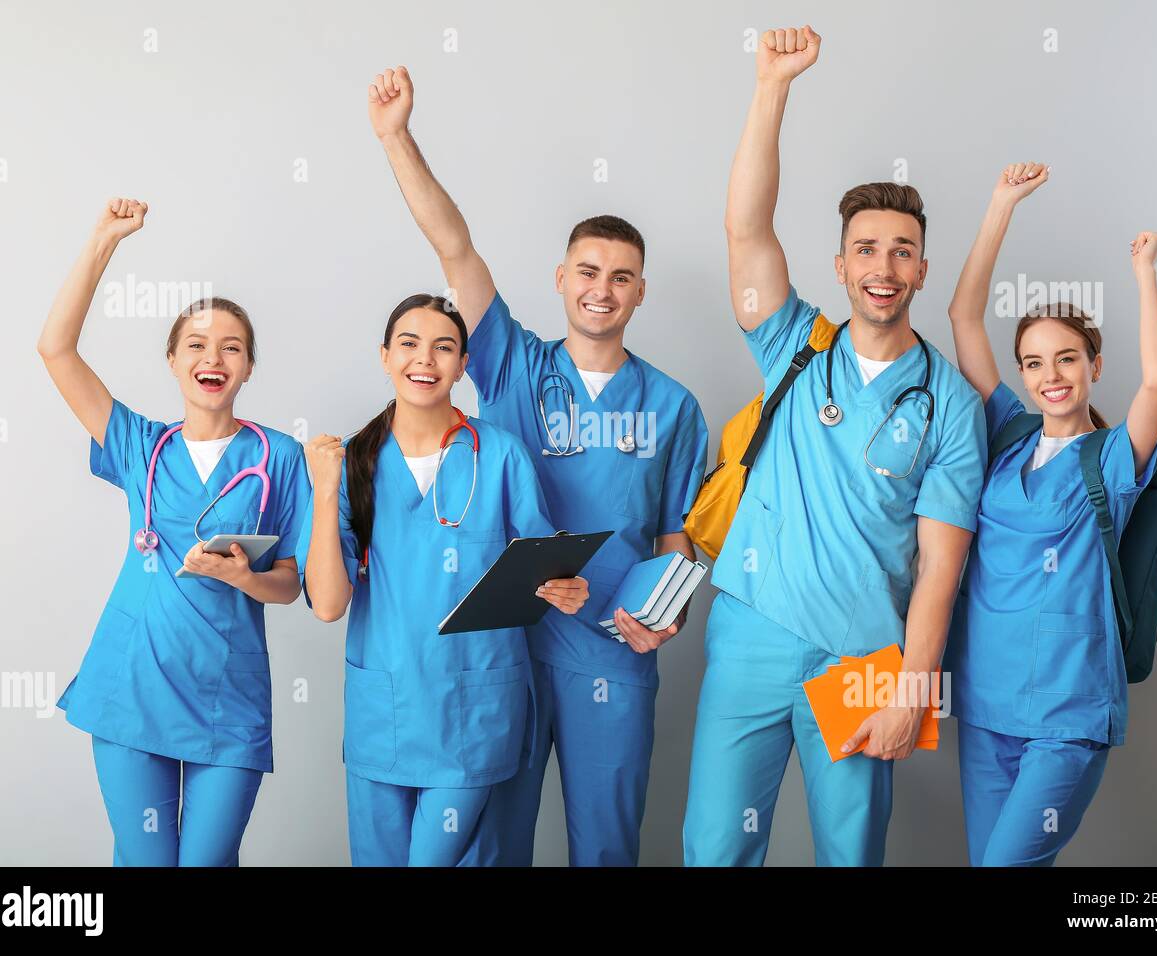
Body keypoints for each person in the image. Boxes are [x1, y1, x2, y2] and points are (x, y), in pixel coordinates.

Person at [366, 66, 709, 866]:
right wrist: (396, 138)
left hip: (610, 650)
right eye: (587, 272)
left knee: (606, 844)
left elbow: (676, 537)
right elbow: (455, 247)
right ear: (561, 280)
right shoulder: (513, 364)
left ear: (640, 292)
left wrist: (668, 615)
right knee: (492, 845)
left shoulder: (674, 405)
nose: (602, 289)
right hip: (505, 651)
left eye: (621, 276)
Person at [682, 26, 987, 866]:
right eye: (865, 250)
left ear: (923, 268)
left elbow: (940, 569)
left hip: (863, 657)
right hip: (750, 634)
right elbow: (746, 231)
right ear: (841, 264)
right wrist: (772, 87)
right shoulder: (796, 347)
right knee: (713, 849)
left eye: (901, 251)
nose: (882, 266)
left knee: (851, 854)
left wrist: (911, 686)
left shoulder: (951, 407)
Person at [39, 198, 311, 866]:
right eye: (196, 344)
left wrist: (245, 576)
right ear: (172, 361)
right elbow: (56, 349)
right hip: (131, 690)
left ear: (248, 367)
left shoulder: (280, 457)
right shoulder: (139, 445)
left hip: (228, 699)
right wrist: (104, 240)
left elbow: (292, 586)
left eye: (231, 348)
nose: (212, 357)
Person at [298, 293, 589, 866]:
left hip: (471, 712)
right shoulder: (353, 461)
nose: (424, 359)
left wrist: (566, 588)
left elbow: (543, 565)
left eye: (444, 347)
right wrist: (325, 489)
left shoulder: (500, 456)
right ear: (384, 356)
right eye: (408, 343)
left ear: (462, 365)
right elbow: (329, 605)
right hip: (386, 712)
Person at [943, 162, 1157, 865]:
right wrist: (1000, 206)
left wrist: (1145, 272)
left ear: (1094, 366)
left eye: (1068, 359)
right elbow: (963, 317)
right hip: (986, 704)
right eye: (1035, 363)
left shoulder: (1110, 461)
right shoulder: (1008, 439)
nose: (1051, 376)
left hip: (1067, 712)